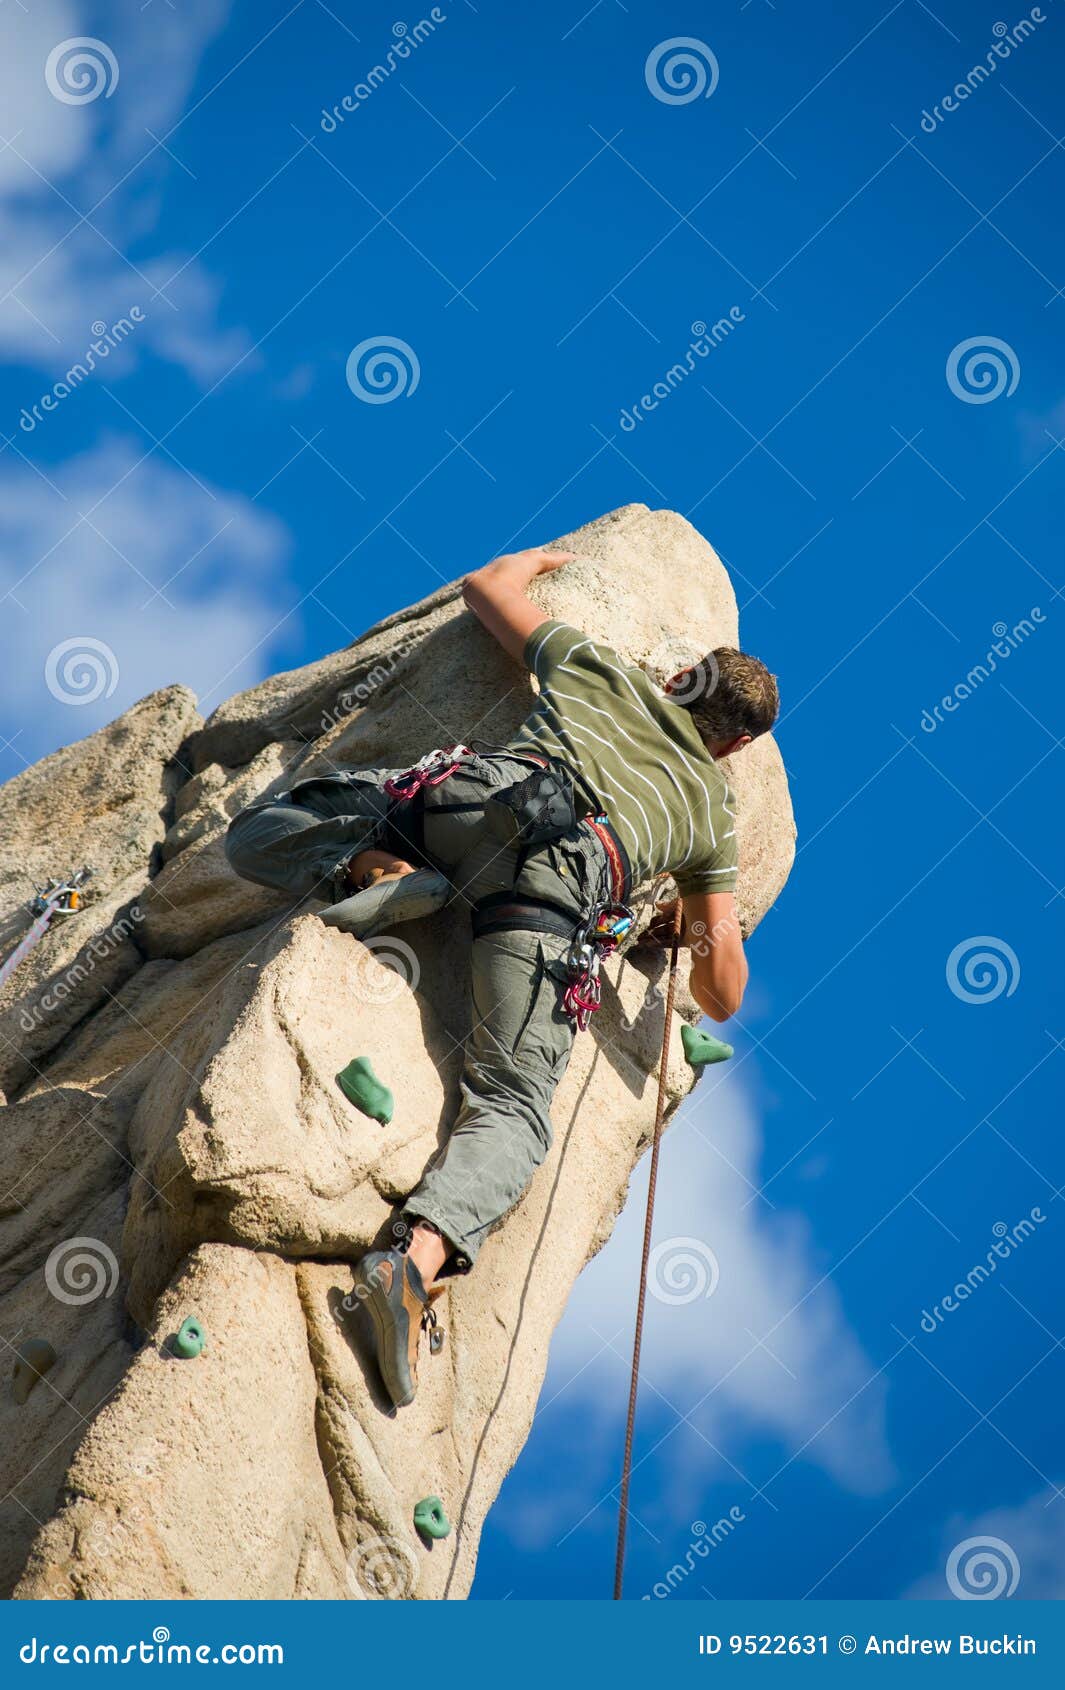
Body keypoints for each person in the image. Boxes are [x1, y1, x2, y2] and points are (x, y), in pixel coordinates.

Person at [224, 547, 779, 1406]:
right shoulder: (713, 811)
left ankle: (378, 870)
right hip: (552, 897)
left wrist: (550, 557)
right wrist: (701, 925)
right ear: (735, 744)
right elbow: (723, 995)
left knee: (263, 830)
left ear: (676, 680)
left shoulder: (604, 674)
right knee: (516, 1104)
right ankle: (411, 1263)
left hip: (471, 801)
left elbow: (488, 589)